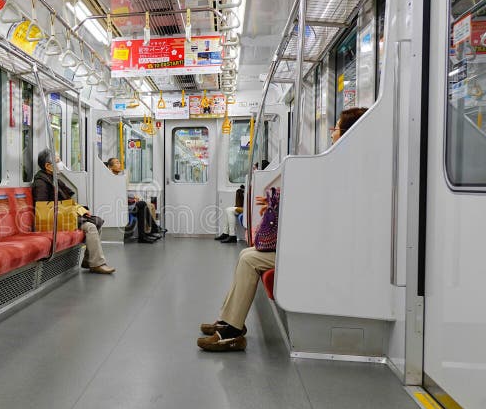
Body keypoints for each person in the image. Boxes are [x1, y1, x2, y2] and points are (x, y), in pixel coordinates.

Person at [198, 107, 367, 352]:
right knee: (248, 254)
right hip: (321, 243)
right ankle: (227, 321)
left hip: (326, 251)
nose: (332, 135)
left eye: (336, 129)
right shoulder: (343, 167)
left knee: (250, 259)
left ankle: (233, 331)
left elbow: (324, 214)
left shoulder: (347, 171)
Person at [33, 150, 116, 274]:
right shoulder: (41, 183)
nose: (61, 164)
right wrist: (71, 212)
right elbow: (43, 208)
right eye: (58, 161)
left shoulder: (54, 179)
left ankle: (89, 260)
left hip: (64, 214)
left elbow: (67, 201)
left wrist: (81, 210)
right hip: (55, 219)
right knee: (90, 227)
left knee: (96, 221)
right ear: (48, 166)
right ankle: (97, 263)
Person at [106, 157, 162, 243]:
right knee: (142, 204)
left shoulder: (118, 178)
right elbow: (120, 193)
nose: (119, 164)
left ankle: (144, 235)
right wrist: (133, 197)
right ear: (110, 167)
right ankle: (152, 230)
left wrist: (132, 197)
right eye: (117, 163)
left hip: (125, 204)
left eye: (119, 162)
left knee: (142, 209)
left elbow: (123, 192)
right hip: (120, 206)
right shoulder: (111, 179)